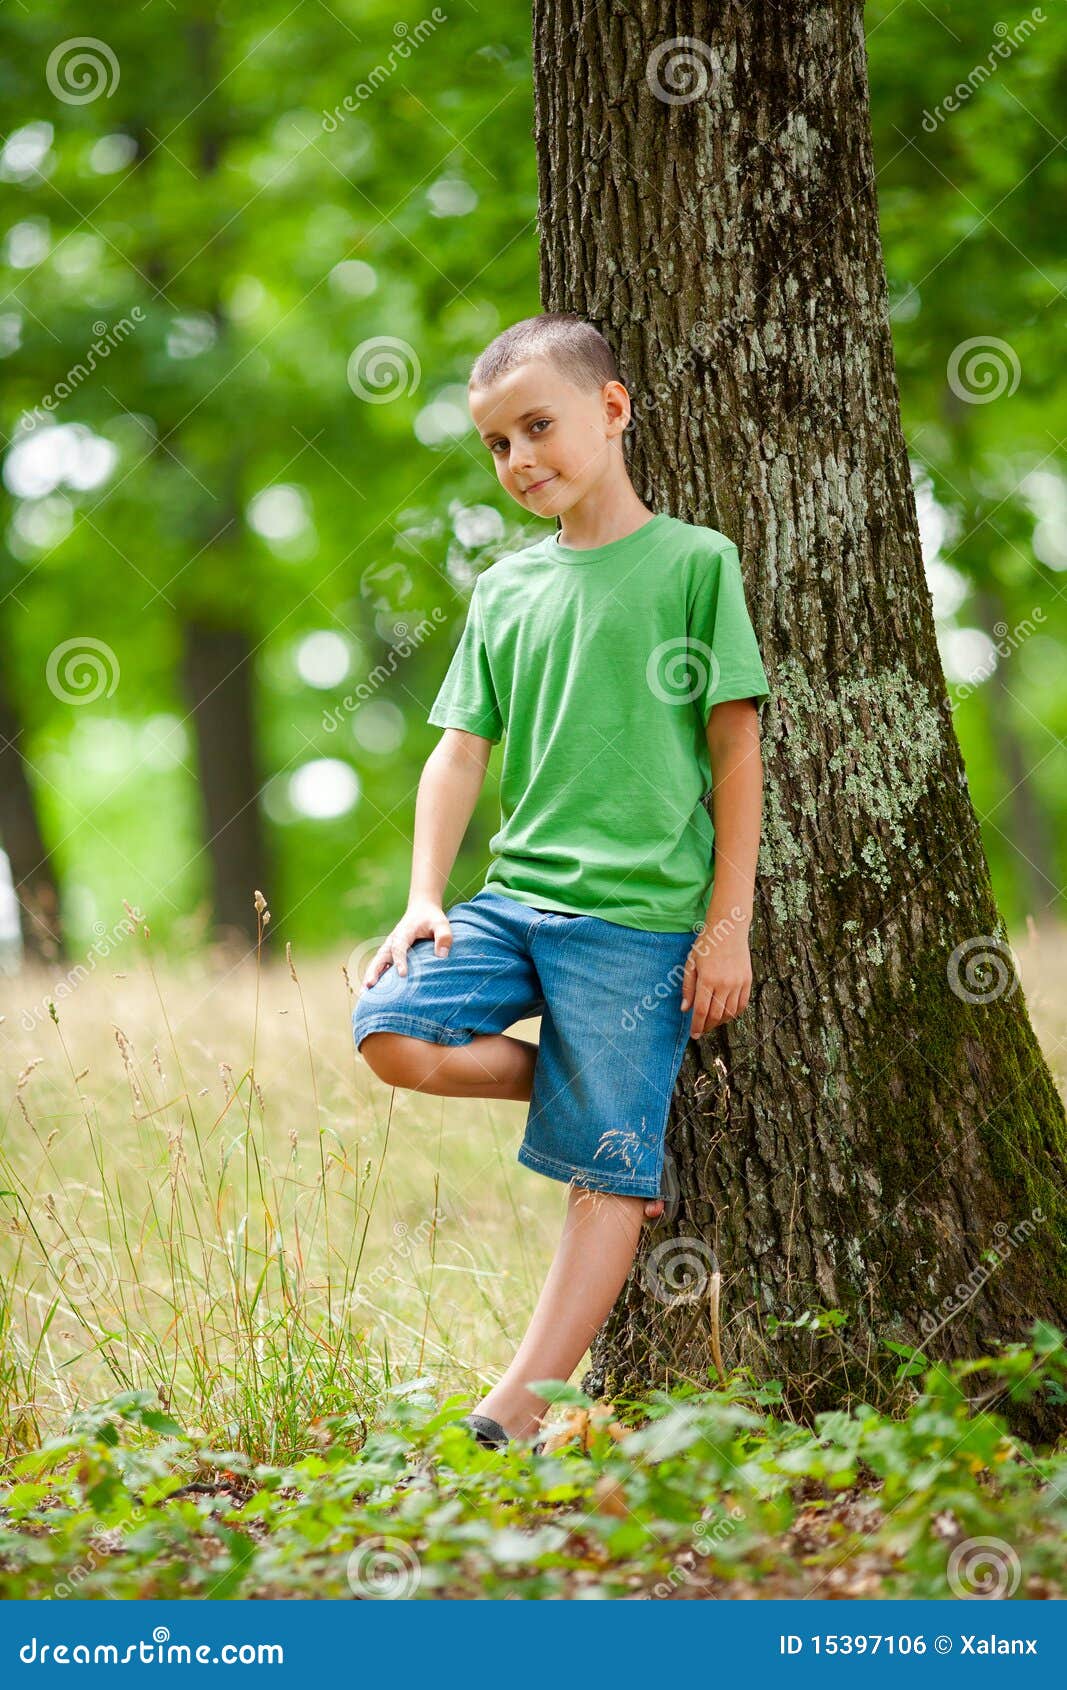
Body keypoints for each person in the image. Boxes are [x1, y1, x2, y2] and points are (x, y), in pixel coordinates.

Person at [352, 311, 771, 1453]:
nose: (517, 458)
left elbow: (736, 754)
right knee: (393, 1029)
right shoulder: (504, 589)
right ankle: (605, 1115)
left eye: (536, 426)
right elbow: (455, 751)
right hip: (511, 902)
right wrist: (425, 895)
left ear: (612, 409)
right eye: (494, 443)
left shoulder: (695, 563)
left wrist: (724, 927)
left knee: (606, 1186)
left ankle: (517, 1406)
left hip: (634, 927)